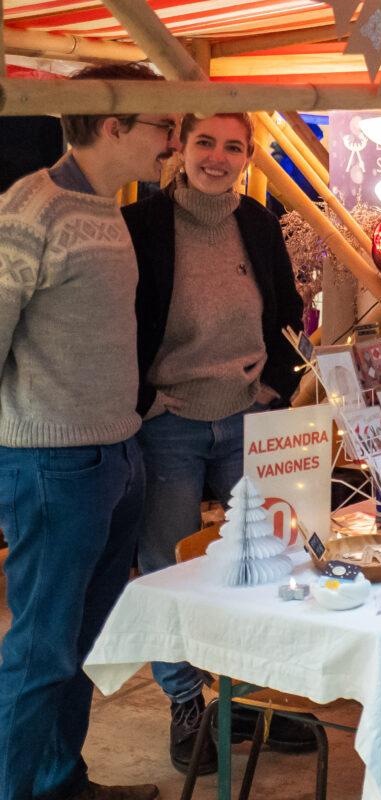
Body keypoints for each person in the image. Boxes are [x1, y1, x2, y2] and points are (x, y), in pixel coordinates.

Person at [0, 62, 176, 800]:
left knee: (81, 644)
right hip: (52, 462)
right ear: (113, 125)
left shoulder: (107, 205)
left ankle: (60, 781)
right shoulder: (29, 208)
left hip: (116, 451)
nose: (172, 140)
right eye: (163, 126)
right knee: (40, 651)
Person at [122, 112, 313, 775]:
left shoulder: (257, 221)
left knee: (257, 563)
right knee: (170, 567)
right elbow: (119, 316)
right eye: (206, 141)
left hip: (245, 421)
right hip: (169, 423)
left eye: (234, 145)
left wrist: (278, 384)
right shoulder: (144, 224)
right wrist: (142, 398)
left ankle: (249, 693)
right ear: (181, 147)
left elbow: (288, 311)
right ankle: (184, 700)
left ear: (248, 156)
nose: (218, 156)